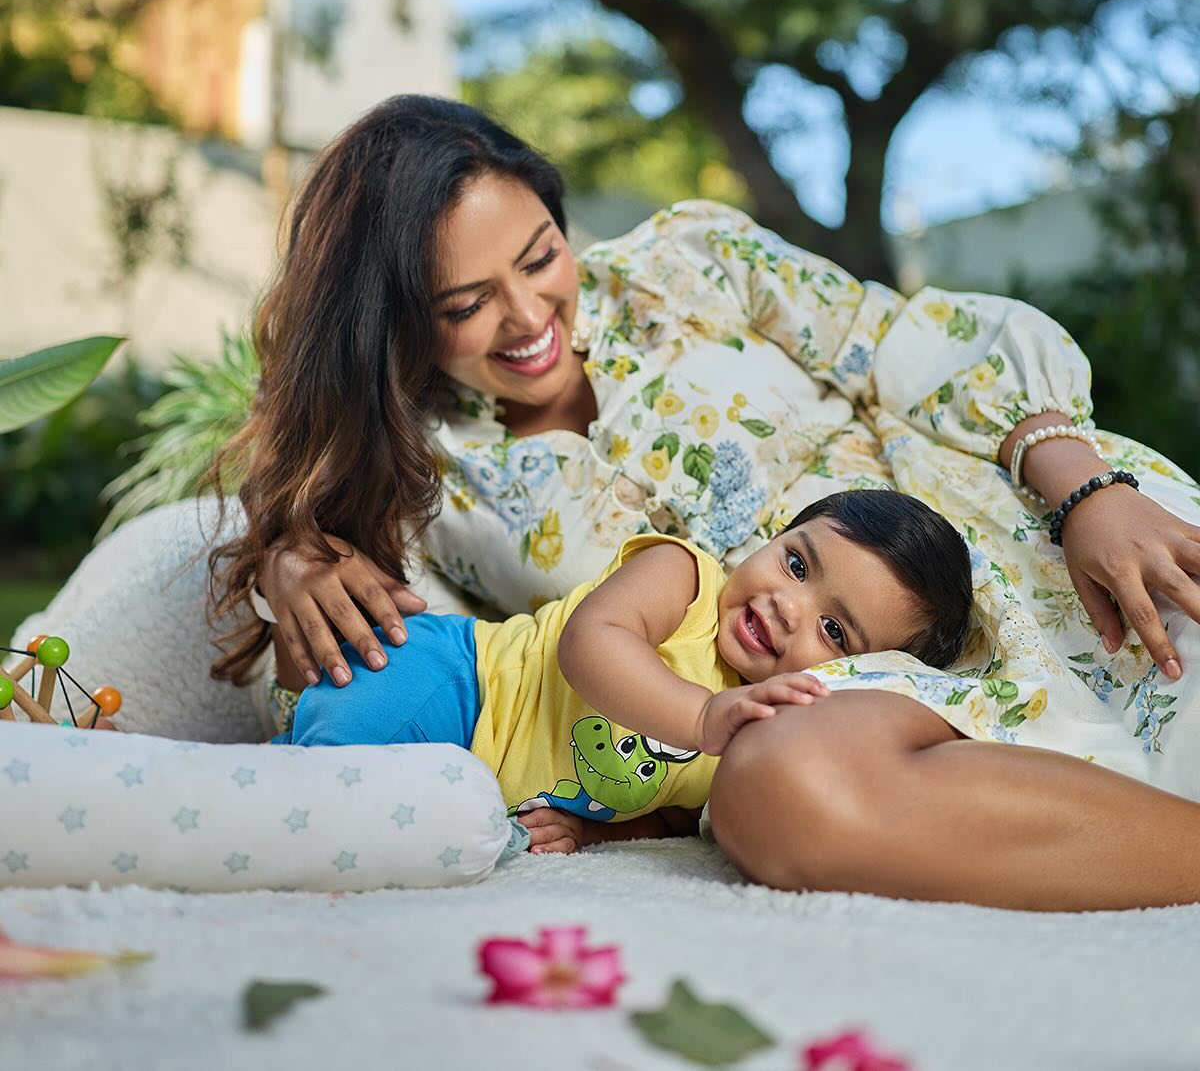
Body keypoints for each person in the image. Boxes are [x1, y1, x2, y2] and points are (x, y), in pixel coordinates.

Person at [78, 92, 1200, 907]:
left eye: (542, 254)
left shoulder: (693, 258)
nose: (529, 317)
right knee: (780, 788)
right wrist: (288, 559)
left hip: (1044, 545)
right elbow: (456, 674)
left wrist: (1082, 483)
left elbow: (907, 344)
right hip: (847, 699)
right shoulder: (427, 481)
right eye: (466, 302)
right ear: (395, 323)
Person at [279, 490, 974, 856]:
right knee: (346, 762)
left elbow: (675, 813)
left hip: (471, 779)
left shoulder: (769, 728)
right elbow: (590, 642)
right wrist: (704, 717)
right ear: (774, 537)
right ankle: (272, 802)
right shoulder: (688, 577)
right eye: (796, 562)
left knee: (403, 826)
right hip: (460, 679)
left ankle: (282, 806)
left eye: (833, 629)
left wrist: (596, 832)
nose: (786, 606)